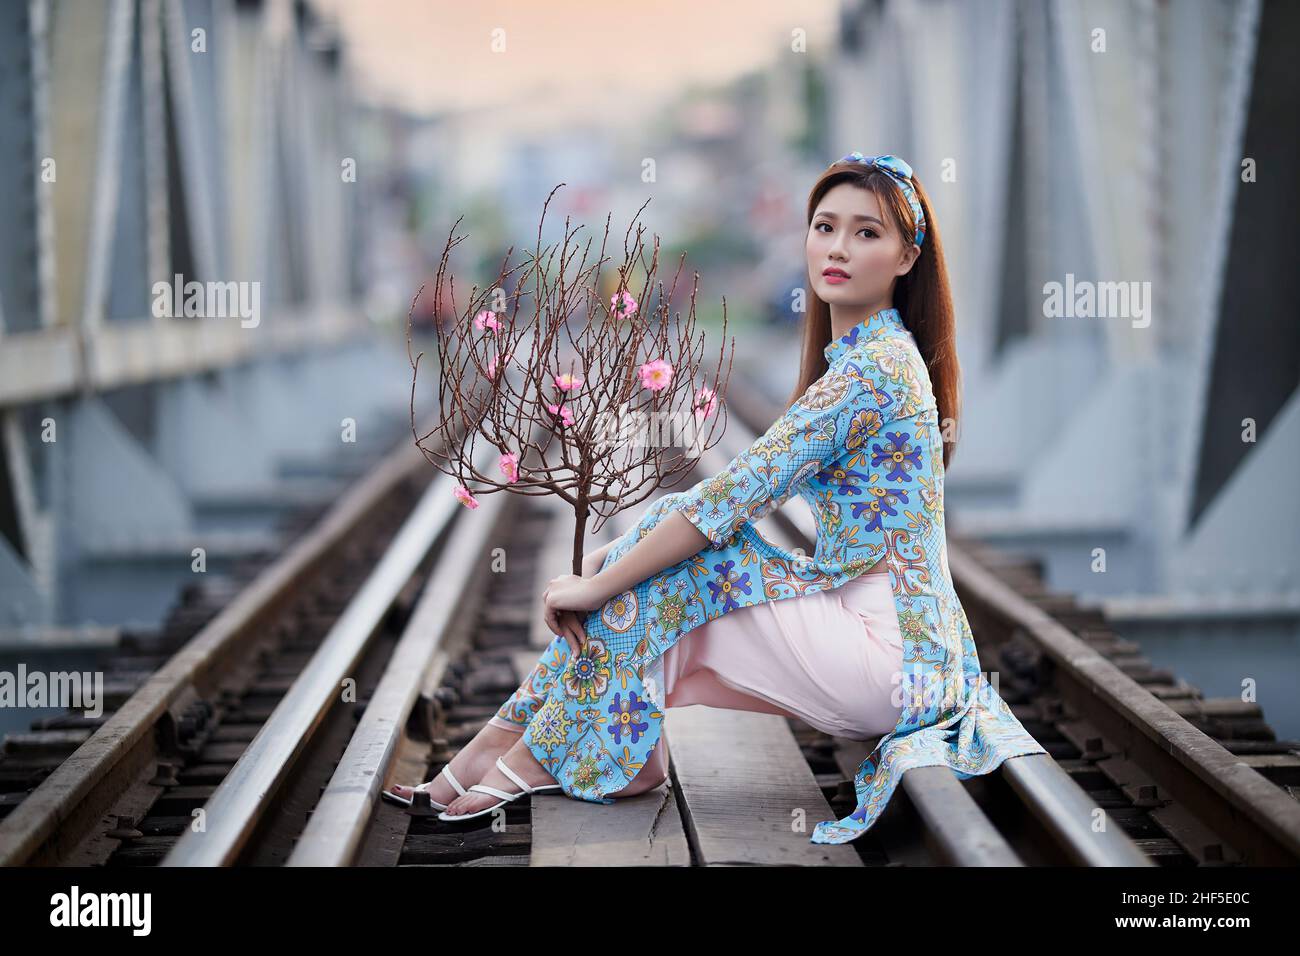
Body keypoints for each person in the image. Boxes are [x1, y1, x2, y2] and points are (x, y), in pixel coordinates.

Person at [385, 153, 1047, 844]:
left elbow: (730, 497)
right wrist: (611, 565)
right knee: (663, 554)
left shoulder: (874, 372)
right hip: (884, 637)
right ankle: (516, 744)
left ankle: (528, 754)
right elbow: (703, 506)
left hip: (898, 657)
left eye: (867, 234)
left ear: (908, 257)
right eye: (825, 227)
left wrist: (600, 582)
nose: (838, 249)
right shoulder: (866, 358)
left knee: (680, 571)